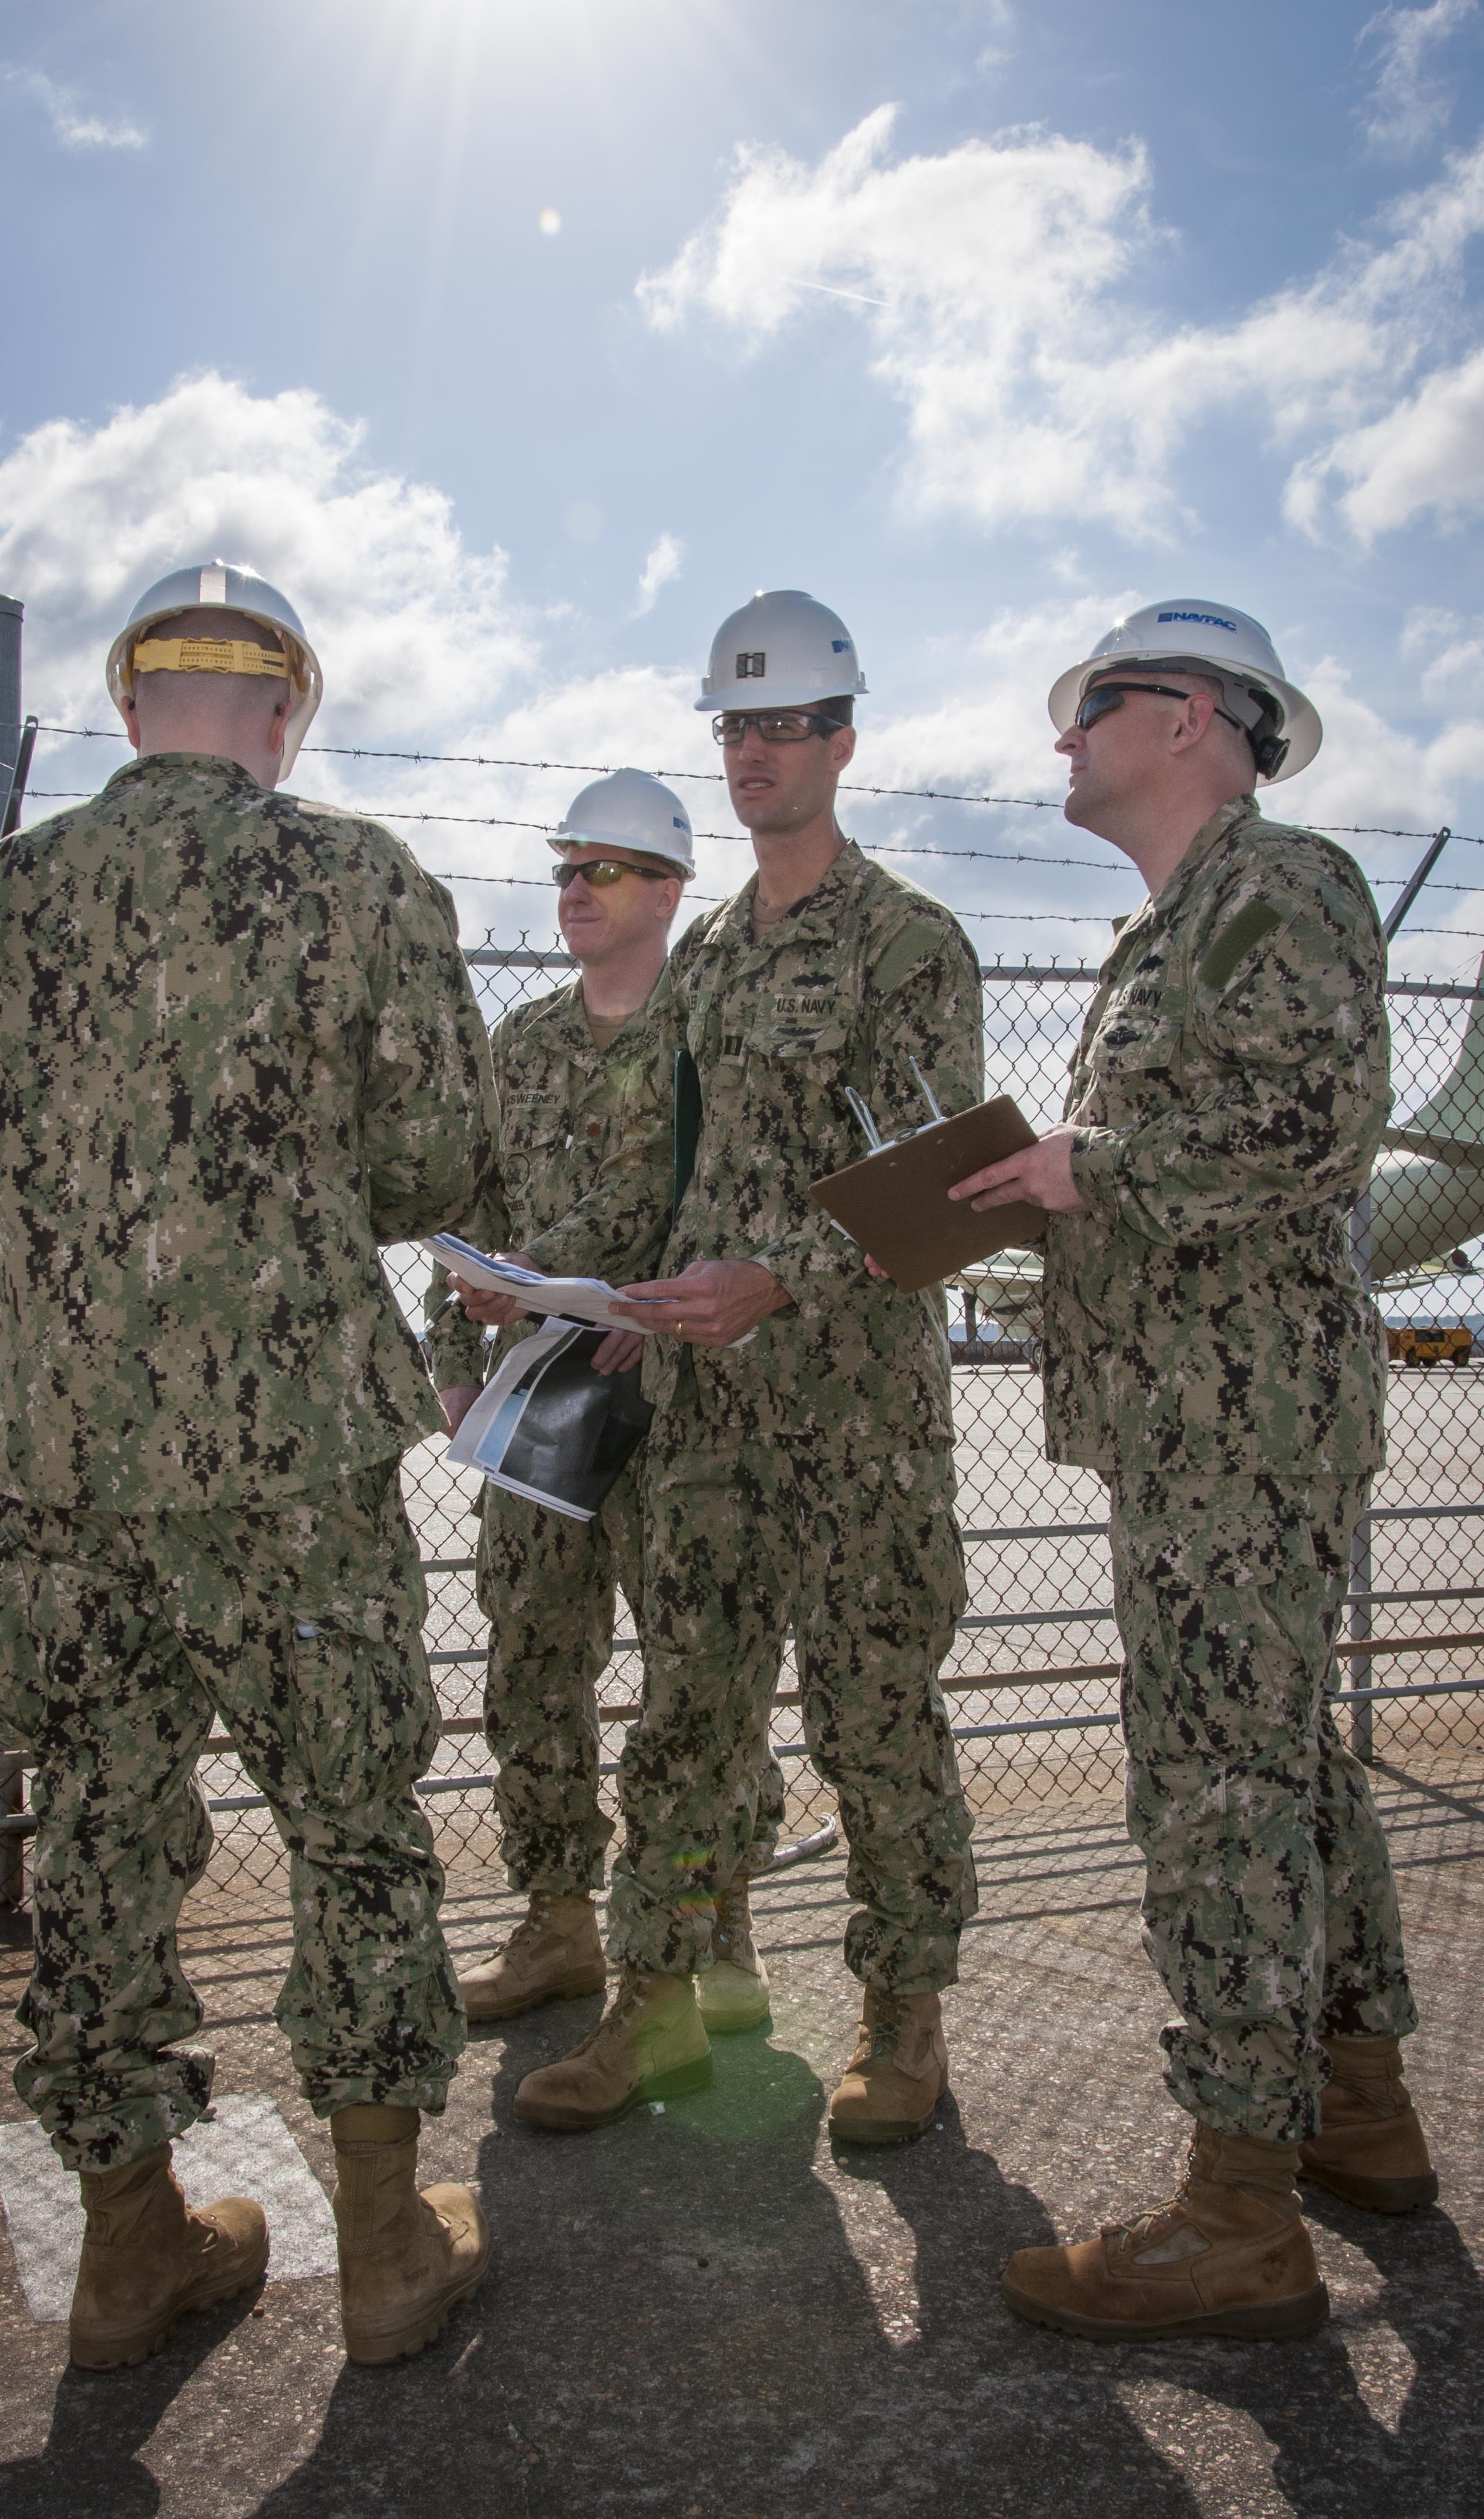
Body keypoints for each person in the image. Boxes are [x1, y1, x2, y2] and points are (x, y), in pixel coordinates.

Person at [0, 560, 498, 2373]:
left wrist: (83, 1233)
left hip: (65, 1469)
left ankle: (130, 2254)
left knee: (97, 1845)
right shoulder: (362, 878)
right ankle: (385, 2249)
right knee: (358, 1839)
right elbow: (439, 1157)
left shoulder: (17, 893)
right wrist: (285, 1215)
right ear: (285, 713)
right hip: (298, 1467)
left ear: (135, 705)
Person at [950, 597, 1435, 2344]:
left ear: (1195, 720)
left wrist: (1094, 1172)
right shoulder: (1161, 935)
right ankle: (1361, 2118)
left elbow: (1315, 1130)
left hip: (1245, 1436)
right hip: (1196, 1428)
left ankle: (1239, 2208)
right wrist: (1029, 1199)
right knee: (1284, 1771)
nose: (1063, 735)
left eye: (1095, 706)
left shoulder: (1277, 887)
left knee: (1216, 1794)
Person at [503, 589, 984, 2139]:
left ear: (844, 739)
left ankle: (903, 2019)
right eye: (738, 726)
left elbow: (948, 1190)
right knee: (691, 1722)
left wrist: (785, 1278)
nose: (760, 751)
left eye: (789, 725)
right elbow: (690, 1174)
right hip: (707, 1413)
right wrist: (590, 1301)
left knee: (874, 1716)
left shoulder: (909, 942)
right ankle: (662, 2004)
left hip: (856, 1417)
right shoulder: (705, 953)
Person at [427, 771, 787, 2036]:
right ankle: (556, 1923)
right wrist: (457, 1349)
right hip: (540, 1395)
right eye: (567, 866)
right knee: (531, 1663)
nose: (575, 887)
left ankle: (713, 1932)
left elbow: (708, 1191)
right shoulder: (519, 1042)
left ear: (669, 888)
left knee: (701, 1681)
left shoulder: (710, 1030)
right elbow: (462, 1206)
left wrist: (595, 1290)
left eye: (606, 868)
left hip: (682, 1401)